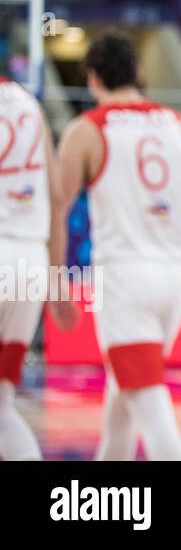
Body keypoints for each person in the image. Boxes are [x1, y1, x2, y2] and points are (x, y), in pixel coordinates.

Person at [54, 33, 181, 460]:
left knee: (151, 414)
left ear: (92, 79)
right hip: (174, 281)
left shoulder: (85, 131)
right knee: (121, 413)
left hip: (124, 283)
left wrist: (56, 285)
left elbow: (55, 210)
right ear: (140, 73)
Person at [0, 75, 76, 459]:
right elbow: (59, 196)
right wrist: (57, 281)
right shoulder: (29, 104)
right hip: (29, 261)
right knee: (2, 407)